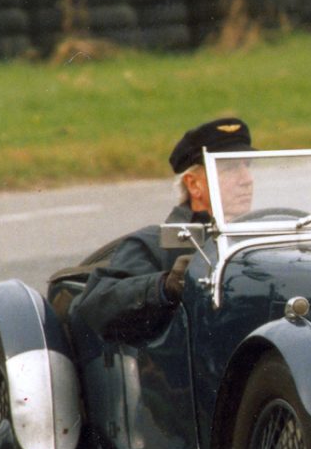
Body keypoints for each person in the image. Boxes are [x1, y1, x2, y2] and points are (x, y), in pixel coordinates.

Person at [72, 117, 257, 341]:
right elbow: (97, 304)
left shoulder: (262, 236)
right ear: (194, 184)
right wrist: (164, 286)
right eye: (229, 168)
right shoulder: (155, 244)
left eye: (247, 165)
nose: (247, 179)